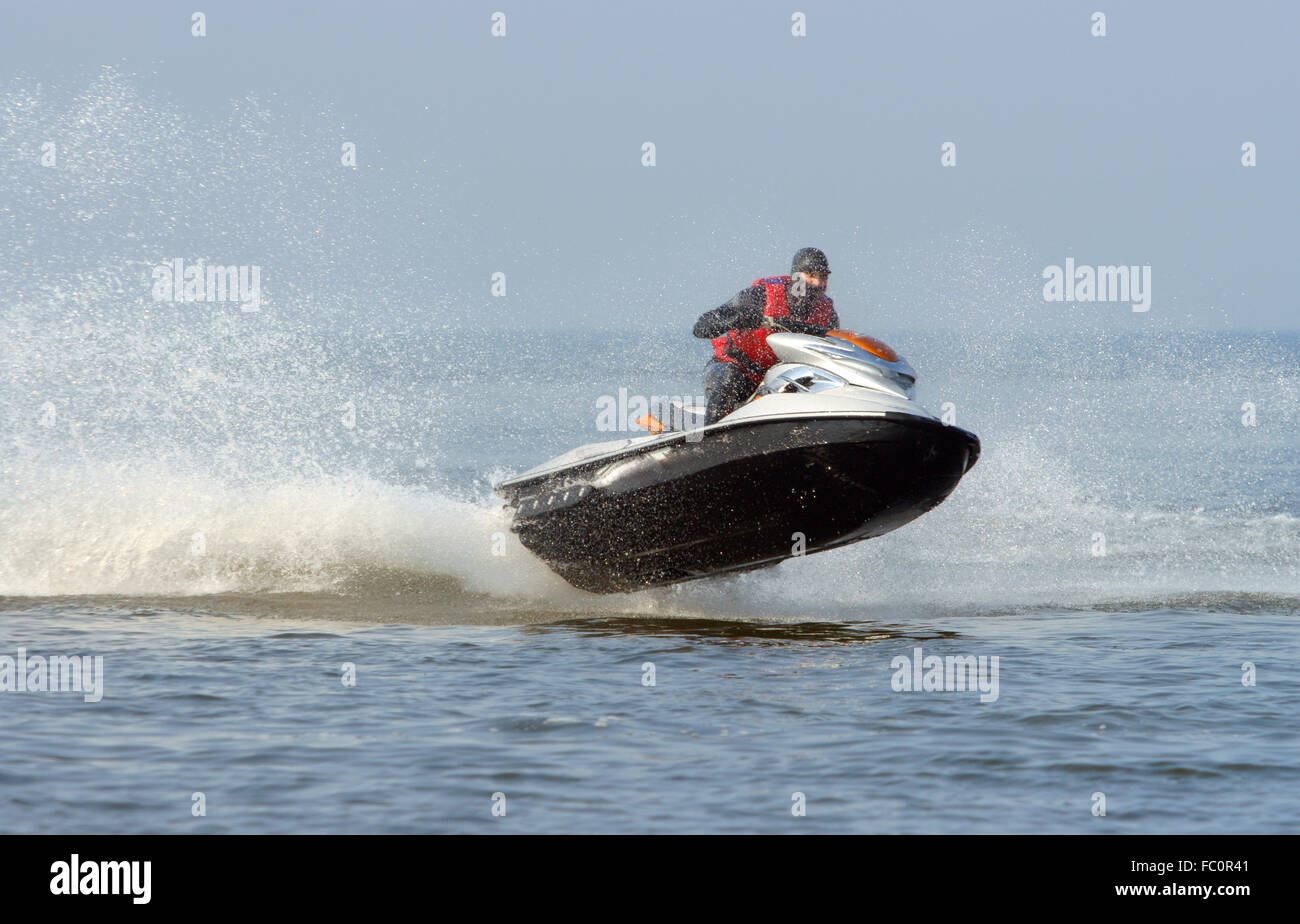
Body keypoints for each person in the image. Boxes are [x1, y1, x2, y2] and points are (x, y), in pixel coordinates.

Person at [692, 247, 840, 423]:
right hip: (730, 372)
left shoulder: (827, 315)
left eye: (823, 277)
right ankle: (710, 437)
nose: (818, 283)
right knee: (731, 376)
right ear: (795, 276)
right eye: (811, 275)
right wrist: (737, 320)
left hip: (775, 382)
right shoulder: (759, 297)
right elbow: (700, 327)